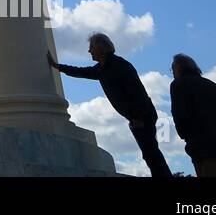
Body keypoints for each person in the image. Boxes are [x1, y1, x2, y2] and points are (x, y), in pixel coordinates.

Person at [48, 33, 172, 178]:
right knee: (150, 152)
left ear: (101, 48)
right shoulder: (103, 68)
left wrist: (137, 117)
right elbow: (81, 71)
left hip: (142, 115)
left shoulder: (119, 65)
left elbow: (136, 92)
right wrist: (57, 66)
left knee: (150, 152)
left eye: (91, 47)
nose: (89, 51)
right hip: (137, 116)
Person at [170, 54, 216, 177]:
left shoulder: (179, 84)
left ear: (177, 68)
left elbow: (180, 114)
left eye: (172, 69)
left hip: (202, 148)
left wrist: (187, 136)